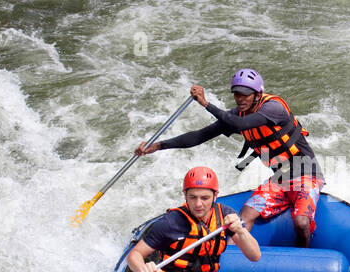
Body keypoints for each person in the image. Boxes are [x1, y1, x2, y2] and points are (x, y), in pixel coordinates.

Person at [134, 69, 324, 247]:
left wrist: (205, 103)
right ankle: (231, 259)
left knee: (301, 222)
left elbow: (241, 124)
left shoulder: (274, 108)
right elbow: (199, 136)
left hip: (307, 173)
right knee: (244, 218)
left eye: (245, 95)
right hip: (279, 178)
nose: (240, 99)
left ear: (258, 94)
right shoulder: (236, 115)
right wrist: (158, 146)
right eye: (237, 94)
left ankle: (305, 255)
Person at [125, 166, 268, 272]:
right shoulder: (170, 222)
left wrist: (241, 231)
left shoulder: (225, 216)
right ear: (185, 195)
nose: (198, 204)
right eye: (192, 197)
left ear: (215, 195)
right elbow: (134, 255)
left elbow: (255, 255)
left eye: (205, 198)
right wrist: (142, 267)